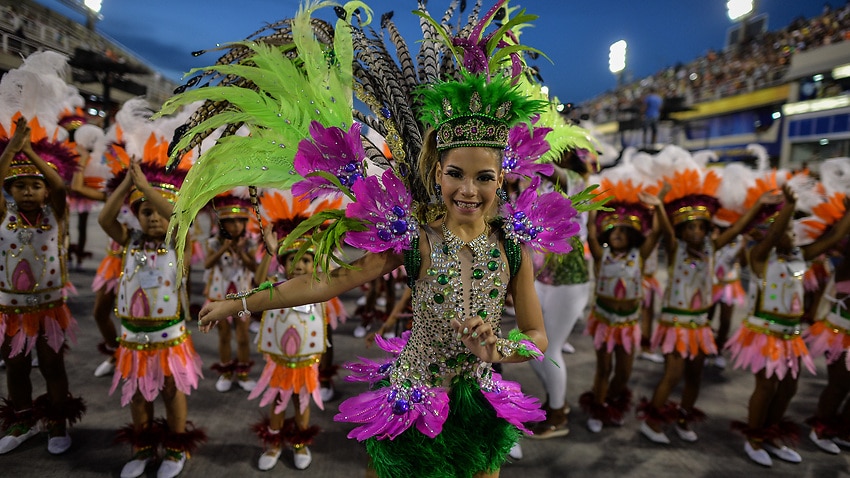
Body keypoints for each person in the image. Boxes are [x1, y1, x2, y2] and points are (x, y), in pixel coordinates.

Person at [163, 3, 590, 476]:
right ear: (438, 172)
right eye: (456, 174)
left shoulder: (512, 247)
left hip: (479, 406)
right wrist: (241, 302)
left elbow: (536, 335)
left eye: (483, 177)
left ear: (500, 178)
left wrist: (499, 350)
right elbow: (326, 283)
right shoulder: (418, 239)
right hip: (414, 402)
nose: (468, 190)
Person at [639, 158, 781, 445]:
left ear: (707, 229)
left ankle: (683, 419)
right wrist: (660, 204)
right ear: (681, 231)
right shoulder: (676, 248)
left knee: (695, 377)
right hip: (675, 324)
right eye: (689, 228)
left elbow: (738, 228)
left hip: (701, 325)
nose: (695, 232)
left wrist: (758, 204)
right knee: (673, 375)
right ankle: (652, 422)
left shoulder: (711, 248)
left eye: (700, 227)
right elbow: (665, 229)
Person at [727, 179, 850, 467]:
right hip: (764, 333)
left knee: (788, 389)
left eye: (794, 231)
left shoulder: (800, 258)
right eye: (787, 230)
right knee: (766, 387)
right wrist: (789, 207)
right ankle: (754, 439)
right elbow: (773, 235)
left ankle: (771, 434)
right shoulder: (760, 257)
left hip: (790, 335)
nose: (793, 235)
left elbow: (834, 237)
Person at [101, 153, 204, 478]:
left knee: (172, 391)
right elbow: (105, 219)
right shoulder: (129, 241)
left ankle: (176, 448)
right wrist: (127, 186)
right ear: (136, 217)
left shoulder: (178, 243)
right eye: (146, 212)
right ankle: (143, 448)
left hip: (169, 336)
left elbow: (179, 218)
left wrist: (146, 188)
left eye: (159, 211)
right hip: (132, 337)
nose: (155, 218)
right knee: (136, 393)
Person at [0, 116, 83, 455]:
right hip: (11, 309)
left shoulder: (55, 214)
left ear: (45, 190)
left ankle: (57, 422)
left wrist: (30, 152)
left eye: (36, 186)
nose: (28, 192)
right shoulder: (3, 216)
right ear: (9, 190)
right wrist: (12, 149)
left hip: (49, 308)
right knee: (15, 365)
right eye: (20, 186)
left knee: (52, 365)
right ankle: (22, 420)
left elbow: (61, 187)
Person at [580, 172, 666, 434]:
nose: (617, 234)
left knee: (624, 372)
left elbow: (658, 231)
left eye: (623, 231)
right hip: (604, 320)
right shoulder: (602, 255)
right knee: (604, 368)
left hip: (629, 323)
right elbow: (591, 234)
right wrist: (593, 209)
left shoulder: (640, 256)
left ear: (632, 235)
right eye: (613, 230)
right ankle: (598, 407)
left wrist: (658, 206)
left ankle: (611, 402)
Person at [802, 189, 850, 455]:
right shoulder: (846, 266)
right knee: (840, 384)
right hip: (842, 331)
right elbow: (838, 237)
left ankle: (842, 429)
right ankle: (821, 428)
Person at [204, 192, 259, 393]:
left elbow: (254, 268)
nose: (236, 226)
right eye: (230, 222)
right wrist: (223, 249)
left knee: (243, 336)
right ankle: (226, 371)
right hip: (219, 296)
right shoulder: (214, 242)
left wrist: (242, 252)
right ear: (222, 224)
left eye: (240, 221)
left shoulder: (250, 242)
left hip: (243, 296)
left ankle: (243, 372)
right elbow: (207, 264)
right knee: (224, 335)